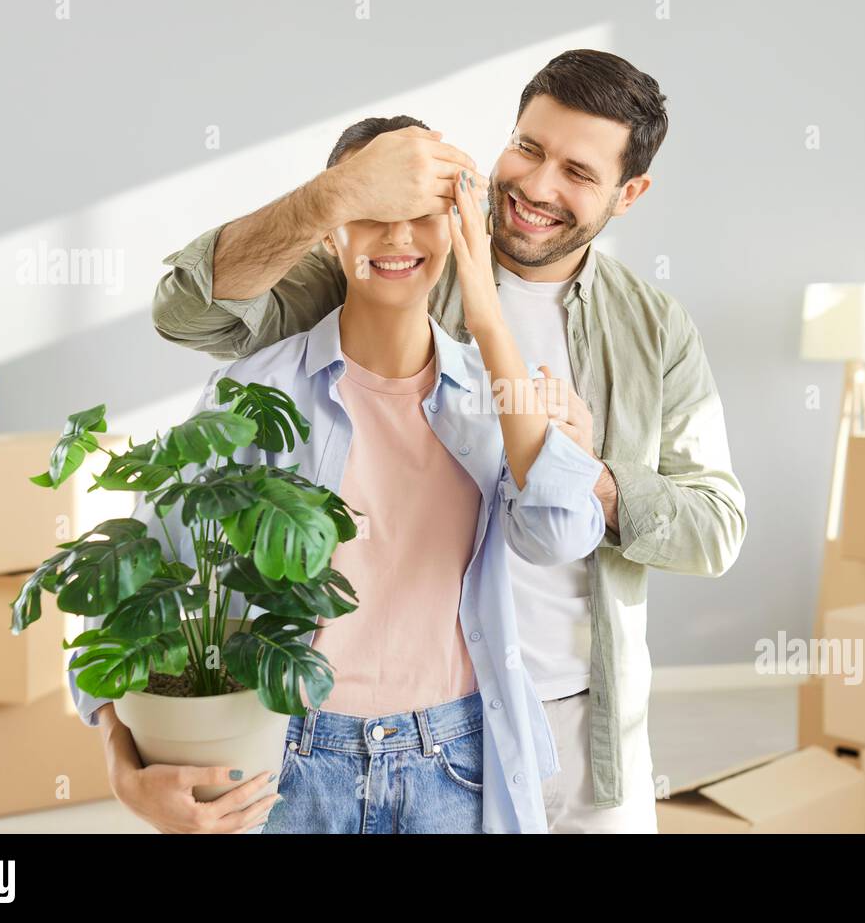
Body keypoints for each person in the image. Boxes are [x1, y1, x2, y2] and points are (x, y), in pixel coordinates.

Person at [150, 49, 748, 833]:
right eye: (528, 148)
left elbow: (716, 528)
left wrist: (583, 471)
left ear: (629, 193)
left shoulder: (653, 328)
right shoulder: (399, 258)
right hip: (429, 715)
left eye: (578, 171)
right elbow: (189, 311)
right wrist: (335, 193)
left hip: (584, 724)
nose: (536, 187)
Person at [73, 115, 605, 834]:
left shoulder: (497, 394)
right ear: (330, 233)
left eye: (422, 215)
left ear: (457, 228)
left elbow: (560, 532)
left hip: (456, 764)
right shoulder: (255, 395)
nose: (397, 238)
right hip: (285, 760)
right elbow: (137, 575)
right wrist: (118, 760)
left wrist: (488, 319)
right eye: (370, 215)